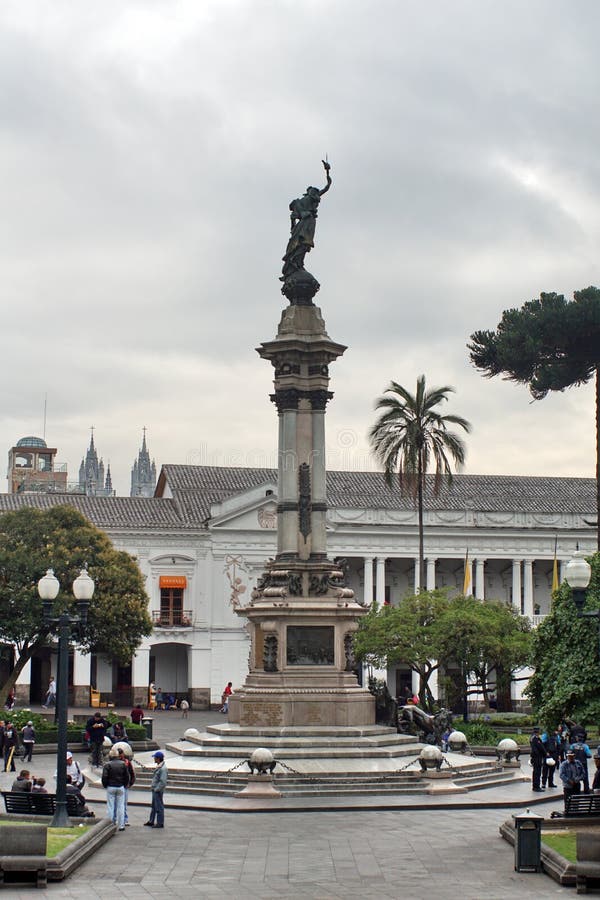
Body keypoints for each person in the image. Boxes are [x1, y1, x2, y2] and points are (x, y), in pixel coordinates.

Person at [281, 159, 332, 282]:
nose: (314, 193)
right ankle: (294, 265)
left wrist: (327, 172)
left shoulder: (313, 198)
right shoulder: (300, 202)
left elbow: (327, 186)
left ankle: (299, 264)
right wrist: (293, 227)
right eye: (312, 191)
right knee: (298, 244)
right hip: (303, 224)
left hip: (309, 223)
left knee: (305, 244)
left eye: (315, 192)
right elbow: (293, 216)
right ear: (308, 192)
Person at [101, 747, 130, 831]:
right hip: (120, 786)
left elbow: (104, 777)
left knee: (110, 806)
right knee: (121, 806)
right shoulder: (123, 764)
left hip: (111, 786)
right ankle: (121, 825)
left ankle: (110, 824)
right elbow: (127, 776)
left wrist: (105, 785)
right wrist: (124, 784)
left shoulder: (107, 765)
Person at [144, 750, 168, 828]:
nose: (154, 759)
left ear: (158, 759)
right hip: (155, 789)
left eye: (155, 757)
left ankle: (160, 822)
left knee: (159, 806)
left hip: (157, 790)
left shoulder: (163, 769)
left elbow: (163, 781)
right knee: (154, 806)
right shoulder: (159, 766)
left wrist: (157, 789)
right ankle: (151, 821)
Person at [117, 746, 135, 826]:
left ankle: (124, 818)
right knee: (119, 804)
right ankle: (121, 819)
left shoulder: (127, 762)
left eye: (121, 753)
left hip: (124, 785)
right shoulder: (117, 763)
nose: (121, 755)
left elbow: (131, 773)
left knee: (123, 803)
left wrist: (130, 783)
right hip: (119, 785)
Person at [529, 726, 546, 791]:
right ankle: (536, 786)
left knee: (537, 772)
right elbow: (538, 748)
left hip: (538, 757)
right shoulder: (535, 739)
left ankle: (536, 786)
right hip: (536, 758)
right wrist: (543, 753)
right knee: (537, 772)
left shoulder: (536, 738)